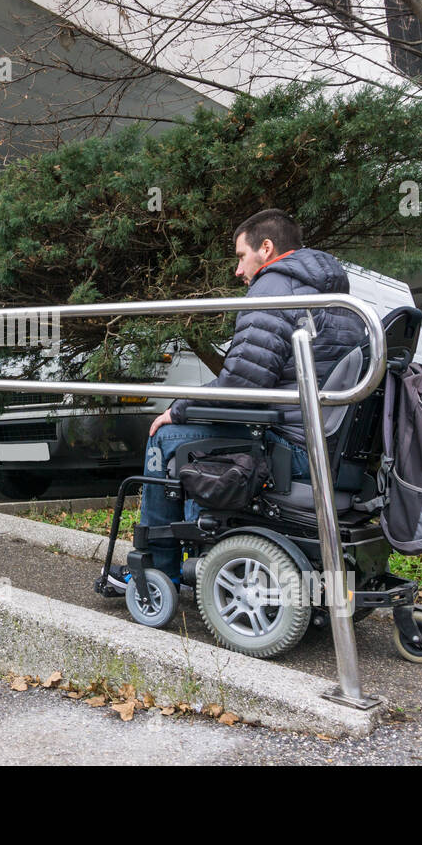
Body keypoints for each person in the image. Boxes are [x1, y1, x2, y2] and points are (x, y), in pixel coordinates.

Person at [127, 209, 366, 578]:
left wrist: (179, 409)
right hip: (335, 452)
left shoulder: (274, 287)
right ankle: (202, 556)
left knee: (165, 436)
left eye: (241, 256)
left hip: (296, 452)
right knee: (203, 428)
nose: (239, 271)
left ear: (266, 248)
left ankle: (159, 571)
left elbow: (242, 385)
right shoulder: (342, 301)